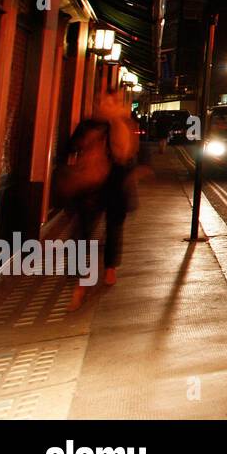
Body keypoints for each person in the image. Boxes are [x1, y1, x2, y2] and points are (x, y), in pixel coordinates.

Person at [58, 88, 137, 311]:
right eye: (110, 100)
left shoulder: (113, 125)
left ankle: (104, 270)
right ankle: (87, 280)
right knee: (87, 233)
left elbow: (126, 156)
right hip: (94, 187)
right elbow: (128, 158)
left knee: (104, 230)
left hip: (106, 187)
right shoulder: (113, 124)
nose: (110, 104)